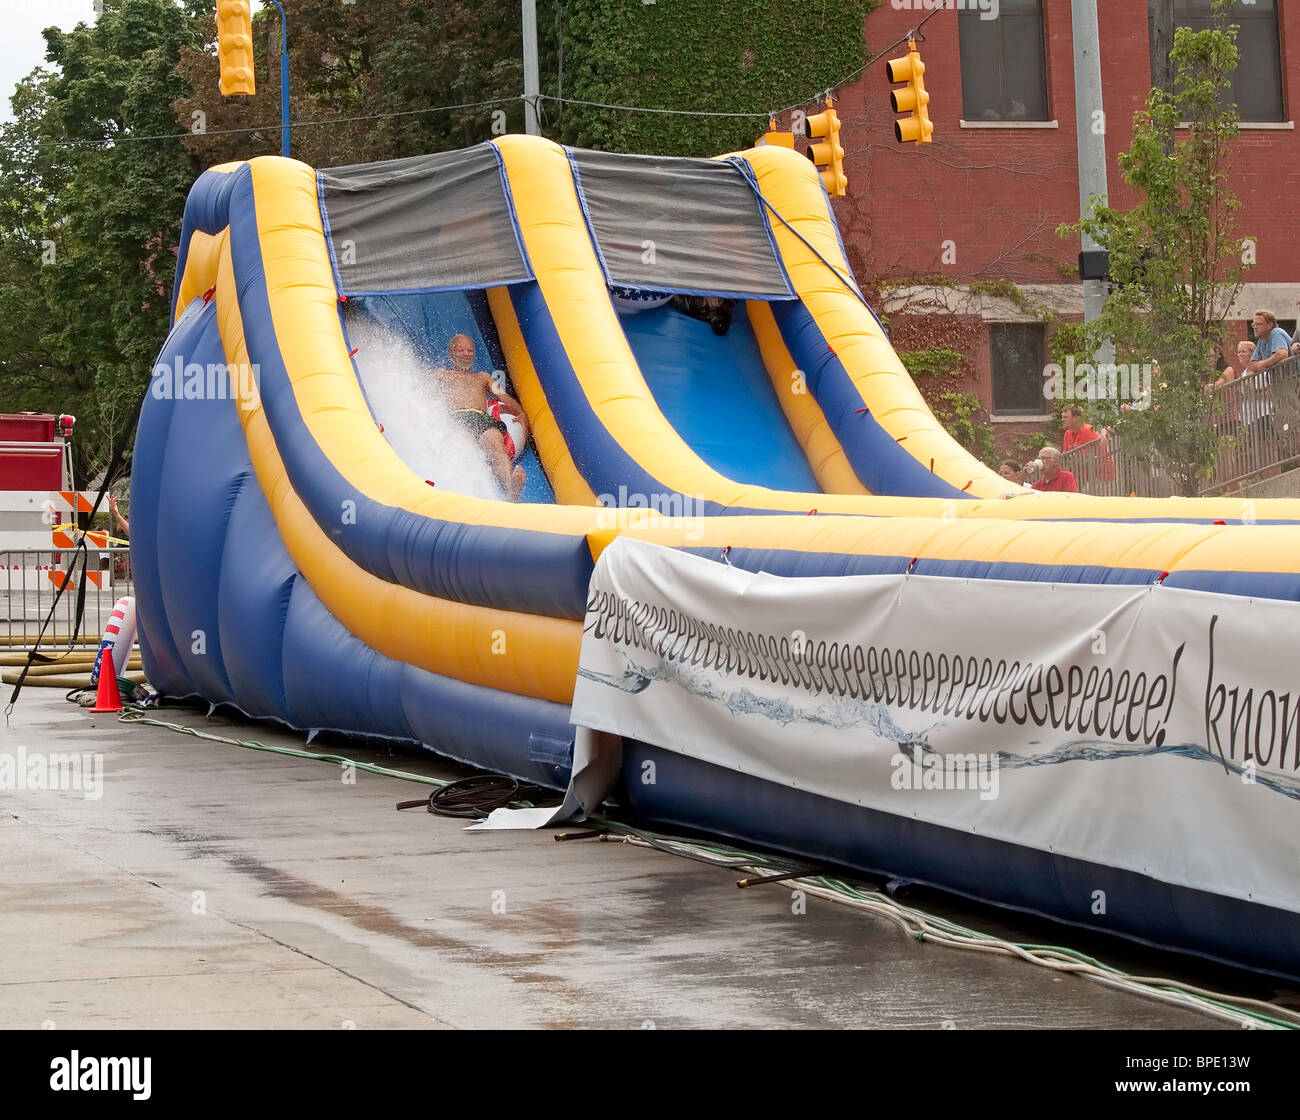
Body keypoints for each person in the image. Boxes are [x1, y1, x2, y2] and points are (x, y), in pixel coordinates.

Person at [429, 334, 529, 501]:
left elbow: (503, 397)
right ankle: (472, 492)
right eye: (461, 350)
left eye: (470, 350)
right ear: (450, 352)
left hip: (481, 418)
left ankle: (510, 486)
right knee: (465, 442)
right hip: (457, 418)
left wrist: (521, 413)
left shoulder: (482, 377)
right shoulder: (441, 374)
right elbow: (420, 395)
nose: (466, 353)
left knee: (495, 440)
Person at [670, 295, 737, 335]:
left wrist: (702, 292)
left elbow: (673, 293)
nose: (711, 300)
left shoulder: (690, 304)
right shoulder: (731, 299)